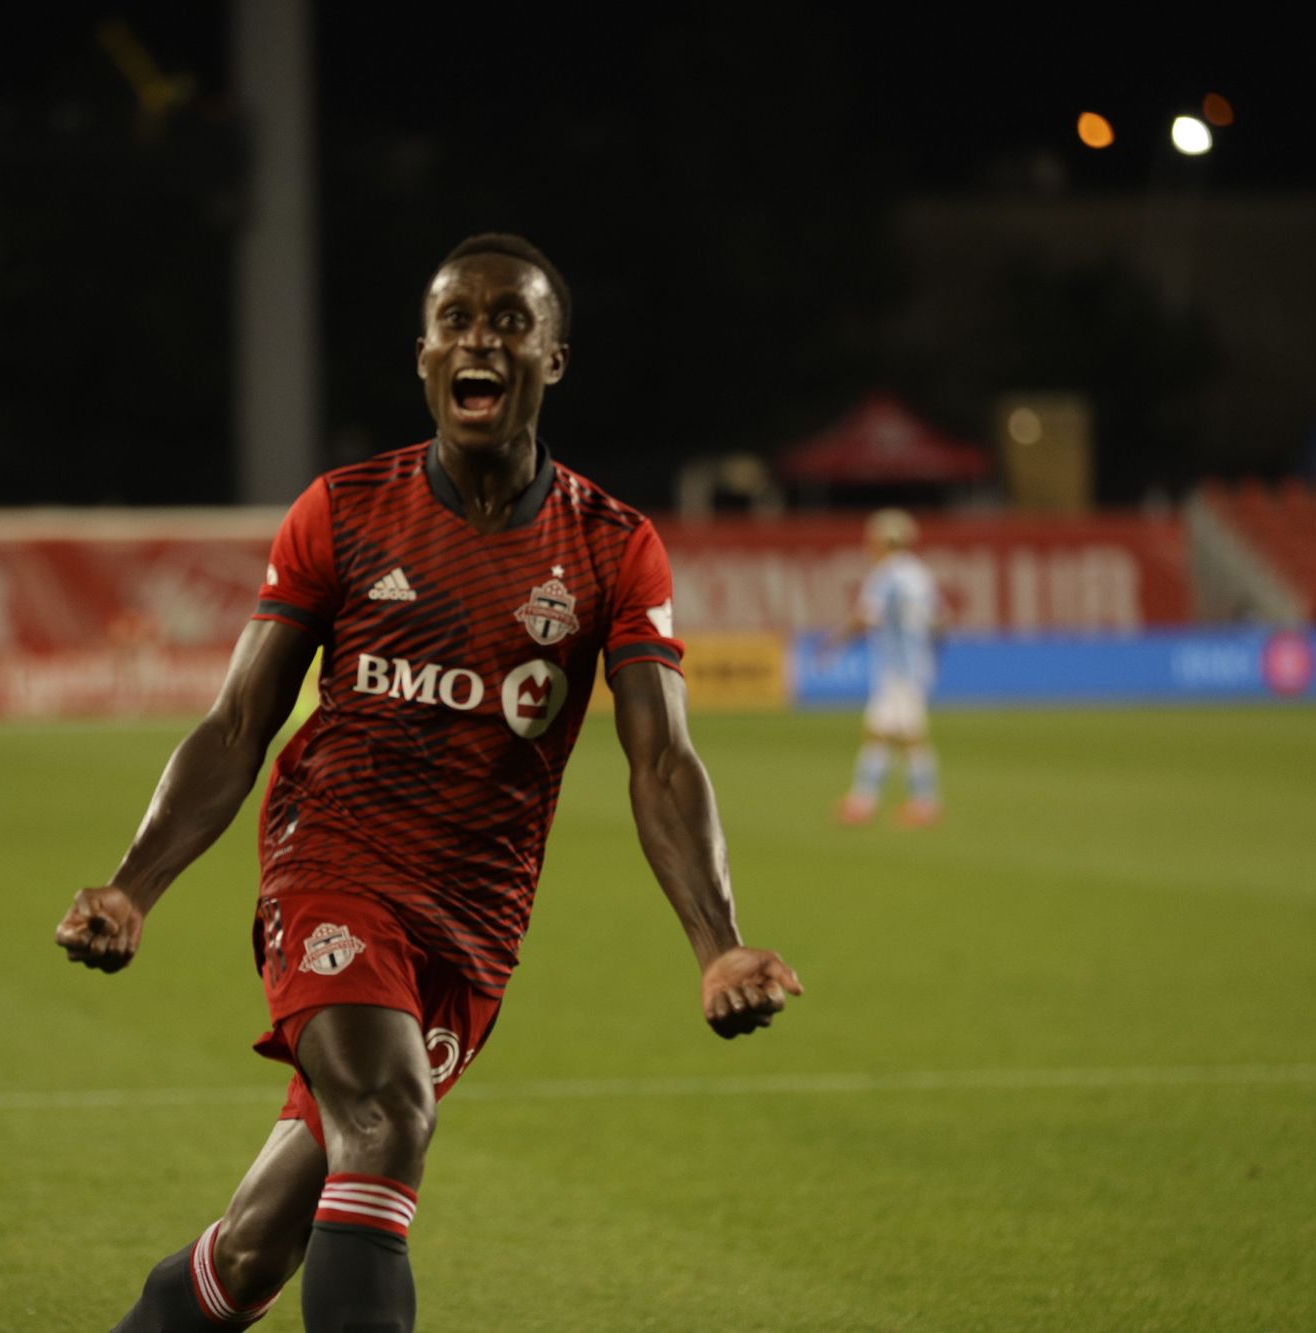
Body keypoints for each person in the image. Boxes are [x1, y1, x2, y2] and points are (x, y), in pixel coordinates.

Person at [54, 234, 803, 1333]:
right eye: (455, 319)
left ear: (553, 357)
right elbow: (235, 725)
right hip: (332, 870)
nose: (479, 339)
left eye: (509, 322)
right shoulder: (344, 511)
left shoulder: (609, 547)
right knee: (390, 1119)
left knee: (260, 1244)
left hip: (472, 925)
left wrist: (717, 941)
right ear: (421, 356)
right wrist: (133, 886)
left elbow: (660, 759)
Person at [834, 508, 943, 827]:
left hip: (897, 669)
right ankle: (864, 800)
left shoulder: (886, 574)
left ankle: (922, 801)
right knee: (883, 733)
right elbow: (938, 621)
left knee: (907, 735)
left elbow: (866, 616)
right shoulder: (919, 573)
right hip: (914, 665)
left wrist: (834, 642)